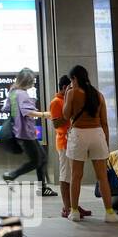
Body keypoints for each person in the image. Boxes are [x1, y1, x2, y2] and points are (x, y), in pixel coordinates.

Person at [62, 64, 117, 222]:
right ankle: (109, 213)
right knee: (102, 177)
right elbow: (105, 122)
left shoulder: (72, 93)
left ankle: (74, 211)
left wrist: (66, 95)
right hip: (98, 134)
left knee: (76, 176)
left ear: (74, 78)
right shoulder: (98, 95)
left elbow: (66, 115)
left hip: (79, 134)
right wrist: (105, 143)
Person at [1, 68, 54, 196]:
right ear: (26, 81)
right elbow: (27, 112)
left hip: (21, 132)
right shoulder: (22, 94)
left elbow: (5, 108)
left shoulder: (13, 92)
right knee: (36, 160)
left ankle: (42, 188)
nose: (33, 83)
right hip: (26, 133)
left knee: (42, 158)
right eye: (32, 81)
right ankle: (11, 175)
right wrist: (45, 114)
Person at [46, 74, 90, 219]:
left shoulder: (67, 100)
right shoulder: (56, 102)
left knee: (74, 176)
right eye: (71, 88)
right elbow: (55, 123)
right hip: (64, 143)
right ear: (65, 87)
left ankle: (74, 205)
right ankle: (67, 207)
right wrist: (68, 113)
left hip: (73, 141)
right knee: (65, 176)